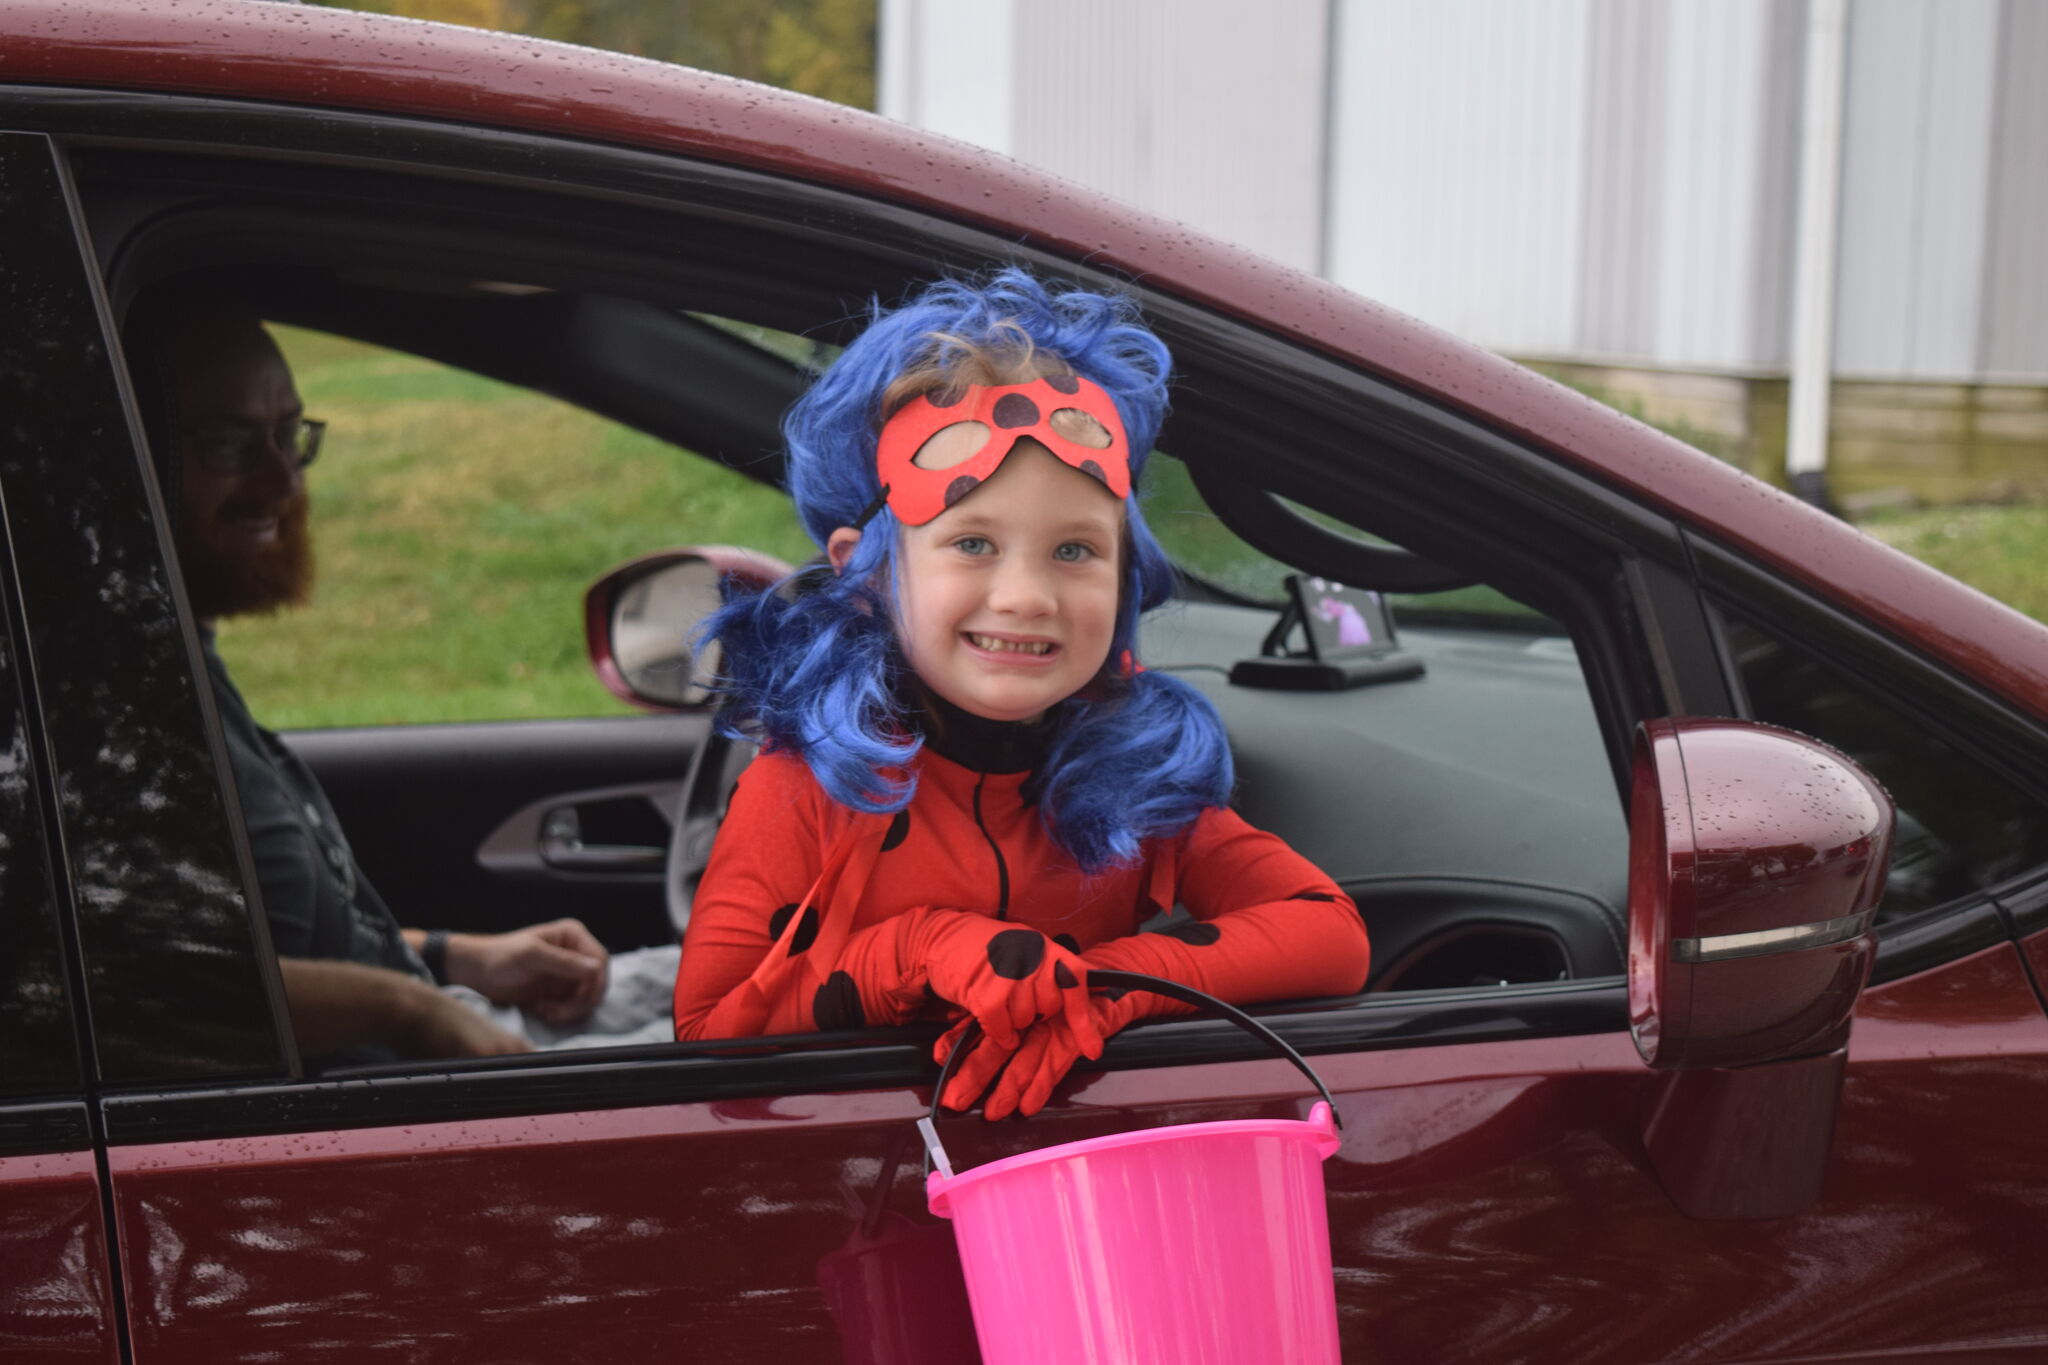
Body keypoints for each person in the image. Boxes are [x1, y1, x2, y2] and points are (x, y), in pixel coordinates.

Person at [673, 270, 1370, 1118]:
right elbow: (706, 1043)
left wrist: (1112, 989)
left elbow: (1328, 931)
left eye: (1074, 551)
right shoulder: (807, 784)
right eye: (972, 541)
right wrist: (913, 953)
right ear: (866, 567)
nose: (1027, 597)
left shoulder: (1131, 770)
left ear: (1124, 575)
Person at [125, 284, 677, 1063]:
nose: (284, 482)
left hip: (430, 1042)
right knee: (773, 1044)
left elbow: (278, 940)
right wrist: (403, 1007)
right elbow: (124, 989)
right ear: (125, 452)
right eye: (231, 444)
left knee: (722, 992)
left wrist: (461, 956)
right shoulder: (96, 720)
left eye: (290, 435)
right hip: (375, 1120)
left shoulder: (171, 660)